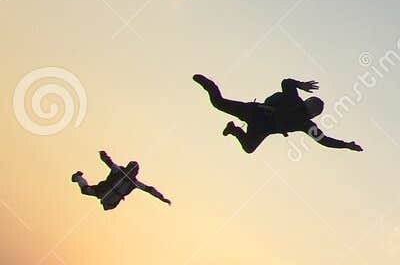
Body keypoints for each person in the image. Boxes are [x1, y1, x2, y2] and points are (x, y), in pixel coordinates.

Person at [192, 74, 362, 154]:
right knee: (248, 147)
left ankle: (232, 127)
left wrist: (300, 85)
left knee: (219, 103)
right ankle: (233, 129)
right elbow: (325, 141)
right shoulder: (306, 123)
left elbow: (286, 82)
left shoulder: (297, 104)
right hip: (258, 118)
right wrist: (345, 145)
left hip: (255, 114)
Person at [72, 151, 171, 211]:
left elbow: (150, 189)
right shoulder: (119, 171)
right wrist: (103, 155)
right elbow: (108, 162)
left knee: (87, 192)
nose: (131, 173)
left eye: (133, 171)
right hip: (102, 192)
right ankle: (77, 177)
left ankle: (78, 178)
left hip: (109, 200)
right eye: (130, 170)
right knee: (85, 190)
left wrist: (162, 198)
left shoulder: (134, 183)